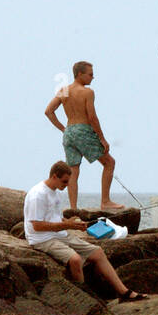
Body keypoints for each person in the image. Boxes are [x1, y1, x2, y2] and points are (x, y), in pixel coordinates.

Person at [24, 161, 148, 300]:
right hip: (42, 239)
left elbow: (56, 219)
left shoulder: (56, 193)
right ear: (54, 177)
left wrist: (74, 224)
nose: (66, 186)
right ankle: (84, 300)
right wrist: (68, 226)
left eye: (68, 182)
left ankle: (124, 293)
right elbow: (37, 226)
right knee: (76, 260)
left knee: (98, 252)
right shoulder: (38, 195)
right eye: (64, 182)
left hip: (59, 234)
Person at [45, 62, 122, 211]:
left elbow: (48, 111)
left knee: (73, 171)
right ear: (80, 74)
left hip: (69, 132)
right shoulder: (87, 92)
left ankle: (73, 209)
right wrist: (102, 139)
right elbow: (92, 117)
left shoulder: (64, 90)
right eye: (90, 74)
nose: (93, 77)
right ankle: (105, 201)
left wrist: (64, 129)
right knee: (109, 162)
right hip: (83, 130)